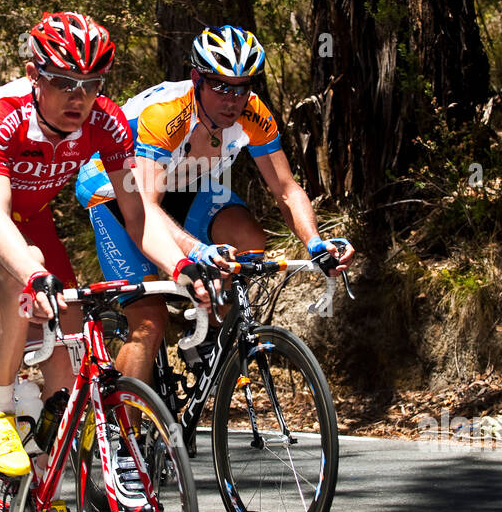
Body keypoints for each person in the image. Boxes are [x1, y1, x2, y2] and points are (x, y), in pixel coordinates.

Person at [0, 12, 216, 512]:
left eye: (91, 84)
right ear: (35, 75)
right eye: (64, 82)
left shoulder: (107, 122)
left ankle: (46, 501)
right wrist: (34, 276)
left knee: (70, 351)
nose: (78, 97)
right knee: (22, 274)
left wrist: (182, 266)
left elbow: (137, 212)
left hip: (30, 221)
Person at [75, 25, 355, 391]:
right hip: (115, 188)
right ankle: (123, 437)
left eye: (242, 87)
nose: (232, 99)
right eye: (220, 85)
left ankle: (206, 333)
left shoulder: (254, 115)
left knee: (249, 239)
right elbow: (145, 206)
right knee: (148, 320)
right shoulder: (167, 114)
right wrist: (197, 251)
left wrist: (316, 244)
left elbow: (286, 189)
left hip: (183, 182)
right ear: (197, 80)